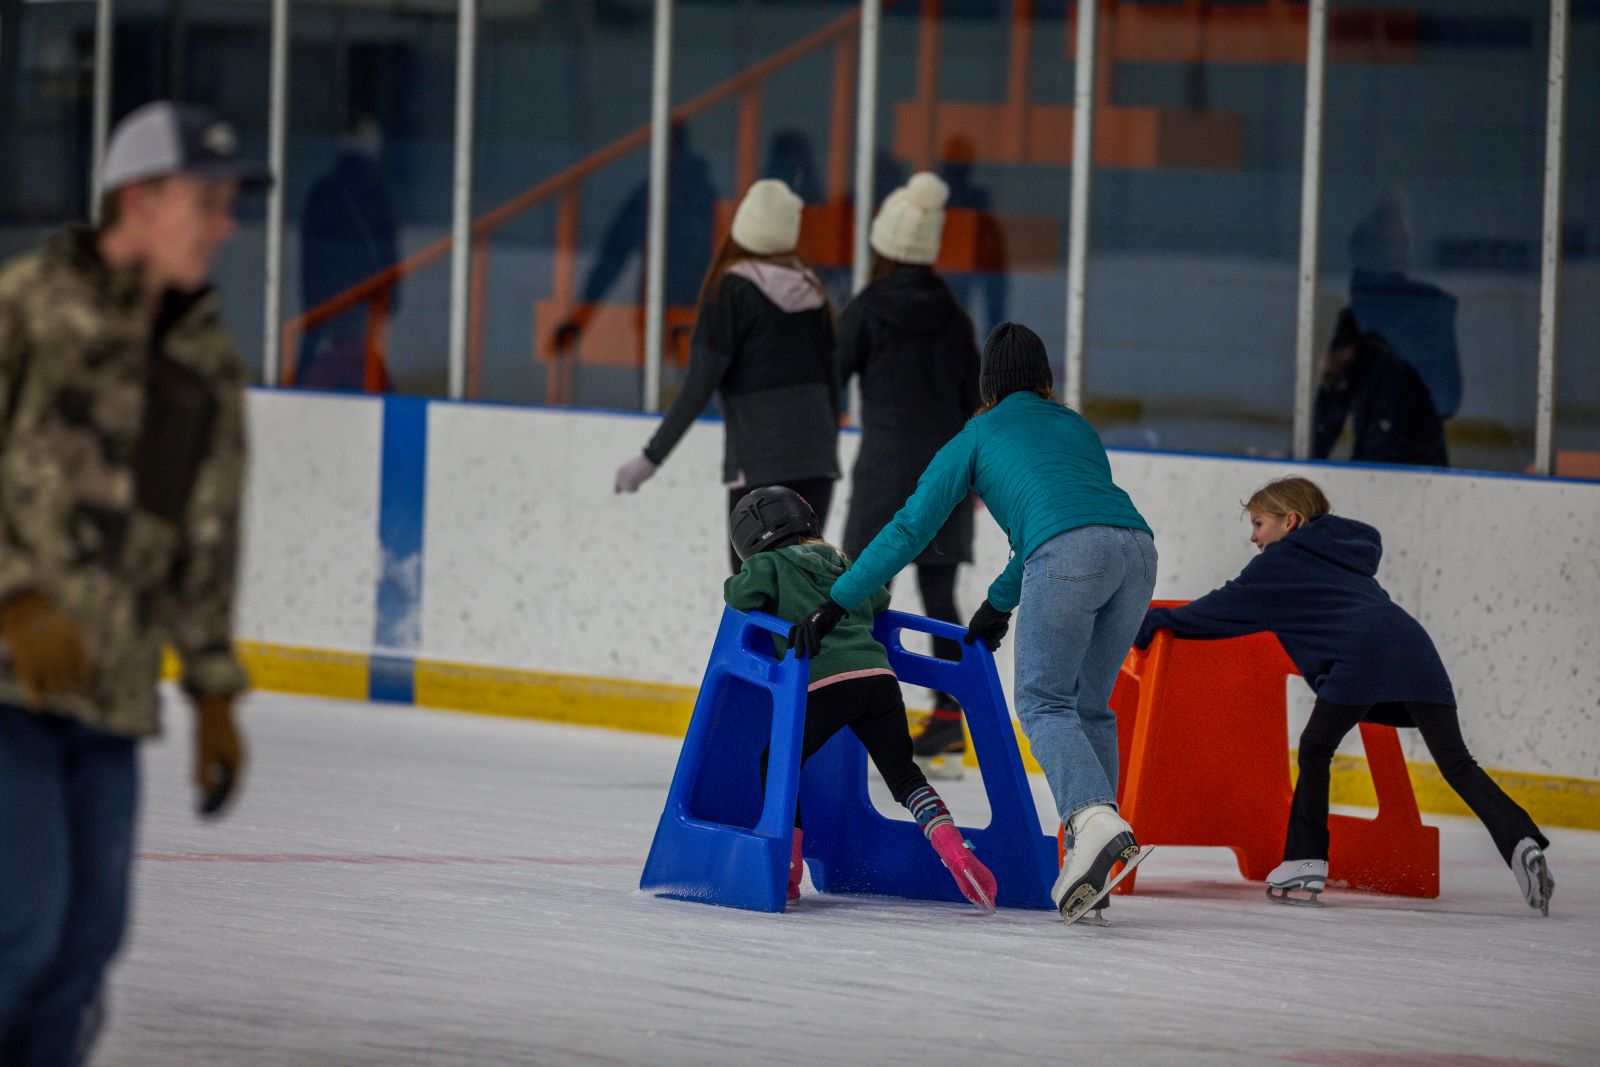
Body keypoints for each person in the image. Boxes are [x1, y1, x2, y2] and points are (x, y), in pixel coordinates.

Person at [0, 100, 263, 1064]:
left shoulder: (206, 366)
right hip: (5, 691)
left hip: (107, 699)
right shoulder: (25, 308)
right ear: (138, 201)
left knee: (84, 944)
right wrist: (13, 596)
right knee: (18, 928)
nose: (225, 224)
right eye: (206, 200)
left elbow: (203, 540)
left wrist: (213, 687)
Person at [789, 321, 1157, 927]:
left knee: (1043, 703)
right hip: (1137, 551)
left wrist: (839, 599)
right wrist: (998, 603)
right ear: (1044, 380)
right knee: (1090, 707)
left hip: (1067, 554)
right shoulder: (1075, 426)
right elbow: (1075, 513)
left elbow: (912, 527)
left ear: (987, 385)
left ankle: (1094, 821)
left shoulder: (978, 434)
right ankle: (1093, 858)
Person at [1135, 477, 1554, 915]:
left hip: (1360, 659)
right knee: (1458, 763)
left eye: (1259, 523)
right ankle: (1520, 841)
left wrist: (1148, 621)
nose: (1254, 536)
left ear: (1289, 521)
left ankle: (1303, 860)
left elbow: (1213, 613)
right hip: (1417, 650)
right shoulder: (1347, 557)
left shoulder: (1277, 565)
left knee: (1316, 750)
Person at [724, 486, 997, 911]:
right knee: (904, 776)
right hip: (879, 679)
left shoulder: (766, 566)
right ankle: (952, 847)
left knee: (776, 763)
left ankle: (787, 872)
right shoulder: (841, 560)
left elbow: (739, 596)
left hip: (826, 683)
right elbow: (880, 598)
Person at [613, 178, 839, 574]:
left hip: (759, 466)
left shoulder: (731, 292)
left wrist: (651, 457)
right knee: (803, 595)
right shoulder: (814, 292)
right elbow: (833, 387)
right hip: (818, 463)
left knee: (754, 598)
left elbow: (698, 385)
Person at [837, 172, 980, 771]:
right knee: (940, 594)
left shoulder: (866, 309)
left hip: (884, 471)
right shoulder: (954, 316)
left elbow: (830, 381)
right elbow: (977, 400)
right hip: (946, 470)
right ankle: (950, 715)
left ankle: (851, 712)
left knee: (863, 593)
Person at [298, 115, 400, 390]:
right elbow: (388, 252)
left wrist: (312, 301)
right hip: (365, 299)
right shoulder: (376, 190)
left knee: (318, 363)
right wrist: (390, 299)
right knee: (361, 365)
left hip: (325, 300)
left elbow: (310, 252)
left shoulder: (324, 189)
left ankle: (297, 389)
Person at [1346, 192, 1462, 422]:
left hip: (1414, 441)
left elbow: (1447, 398)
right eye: (1392, 241)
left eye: (1402, 241)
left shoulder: (1429, 306)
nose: (1401, 248)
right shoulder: (1355, 315)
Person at [1313, 307, 1448, 468]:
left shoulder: (1388, 376)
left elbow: (1379, 456)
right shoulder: (1344, 373)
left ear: (1346, 351)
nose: (1319, 366)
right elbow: (1322, 430)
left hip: (1421, 475)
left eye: (1323, 354)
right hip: (1396, 472)